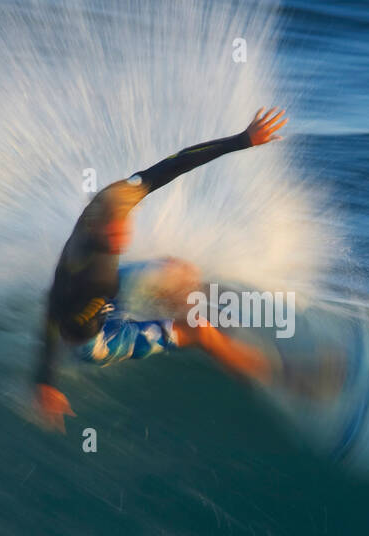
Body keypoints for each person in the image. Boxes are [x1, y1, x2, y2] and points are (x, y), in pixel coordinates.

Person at [32, 107, 288, 432]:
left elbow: (175, 163)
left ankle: (199, 321)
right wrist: (46, 381)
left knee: (178, 270)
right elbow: (52, 312)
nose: (120, 238)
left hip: (112, 292)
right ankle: (273, 376)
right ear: (95, 230)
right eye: (110, 236)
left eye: (122, 227)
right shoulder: (81, 270)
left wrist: (242, 140)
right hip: (95, 338)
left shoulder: (118, 196)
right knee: (200, 330)